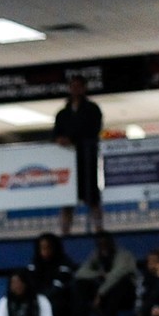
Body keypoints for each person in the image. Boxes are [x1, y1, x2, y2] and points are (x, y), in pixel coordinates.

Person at [54, 76, 104, 236]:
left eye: (78, 86)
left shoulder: (92, 110)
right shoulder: (62, 113)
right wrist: (59, 139)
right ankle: (65, 232)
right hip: (68, 163)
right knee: (67, 201)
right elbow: (55, 133)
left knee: (92, 198)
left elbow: (93, 130)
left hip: (87, 161)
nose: (75, 89)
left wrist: (73, 139)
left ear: (84, 88)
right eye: (72, 86)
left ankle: (99, 231)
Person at [73, 233, 137, 316]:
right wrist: (98, 274)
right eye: (100, 244)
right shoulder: (96, 255)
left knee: (119, 285)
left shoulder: (123, 255)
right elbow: (80, 274)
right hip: (105, 295)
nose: (103, 247)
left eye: (105, 244)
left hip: (127, 295)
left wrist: (100, 294)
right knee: (81, 284)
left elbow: (115, 276)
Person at [28, 233, 78, 316]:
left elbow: (59, 286)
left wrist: (43, 299)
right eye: (42, 248)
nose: (45, 251)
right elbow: (30, 283)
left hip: (60, 301)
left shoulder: (64, 263)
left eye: (48, 247)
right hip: (39, 298)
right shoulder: (35, 264)